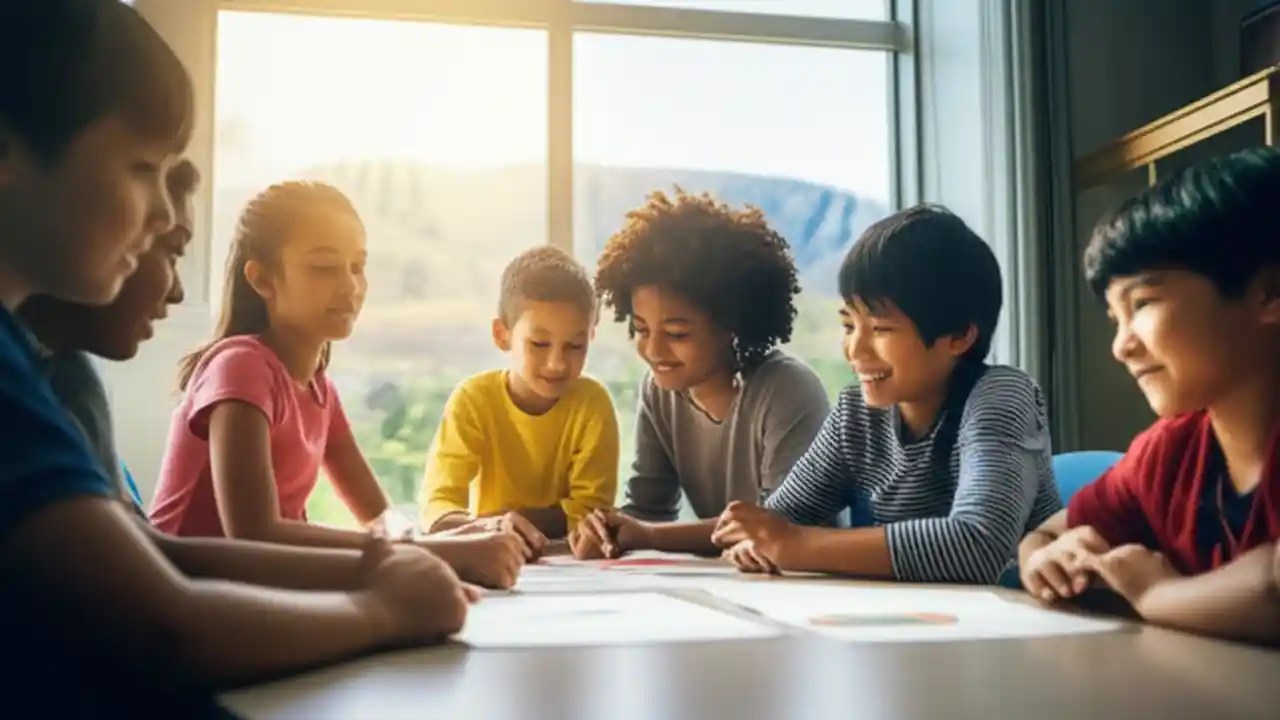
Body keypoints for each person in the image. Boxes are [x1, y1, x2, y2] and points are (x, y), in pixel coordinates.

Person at [0, 3, 471, 715]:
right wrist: (381, 608)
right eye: (140, 168)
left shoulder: (39, 369)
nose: (162, 217)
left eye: (357, 266)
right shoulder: (230, 367)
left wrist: (404, 556)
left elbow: (151, 550)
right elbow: (163, 624)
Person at [150, 181, 527, 588]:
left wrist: (446, 537)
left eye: (358, 266)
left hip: (255, 589)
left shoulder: (320, 391)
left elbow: (379, 519)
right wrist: (439, 554)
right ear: (262, 279)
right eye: (324, 268)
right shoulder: (240, 367)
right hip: (183, 592)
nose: (351, 286)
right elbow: (255, 534)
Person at [713, 205, 1061, 584]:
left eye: (880, 329)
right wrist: (761, 541)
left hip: (1016, 625)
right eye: (849, 325)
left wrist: (794, 545)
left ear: (960, 336)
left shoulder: (1001, 396)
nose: (855, 350)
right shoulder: (856, 414)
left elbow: (978, 545)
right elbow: (779, 522)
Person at [1019, 147, 1280, 644]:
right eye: (1115, 318)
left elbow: (1273, 587)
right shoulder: (1169, 451)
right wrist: (1048, 561)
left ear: (1268, 292)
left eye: (1142, 304)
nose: (1122, 346)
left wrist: (1153, 596)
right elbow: (1048, 533)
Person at [575, 189, 830, 558]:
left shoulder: (787, 390)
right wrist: (607, 530)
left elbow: (778, 524)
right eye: (642, 329)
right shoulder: (660, 390)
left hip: (809, 582)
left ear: (731, 324)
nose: (654, 351)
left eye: (677, 334)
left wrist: (647, 535)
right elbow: (648, 507)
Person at [20, 158, 202, 514]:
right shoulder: (30, 394)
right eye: (173, 251)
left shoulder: (72, 374)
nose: (178, 292)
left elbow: (143, 544)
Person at [421, 246, 619, 550]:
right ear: (502, 335)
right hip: (489, 549)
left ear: (591, 336)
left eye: (575, 346)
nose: (557, 363)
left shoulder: (592, 404)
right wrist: (493, 527)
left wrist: (510, 523)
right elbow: (438, 507)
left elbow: (592, 508)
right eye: (539, 344)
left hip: (567, 561)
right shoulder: (473, 400)